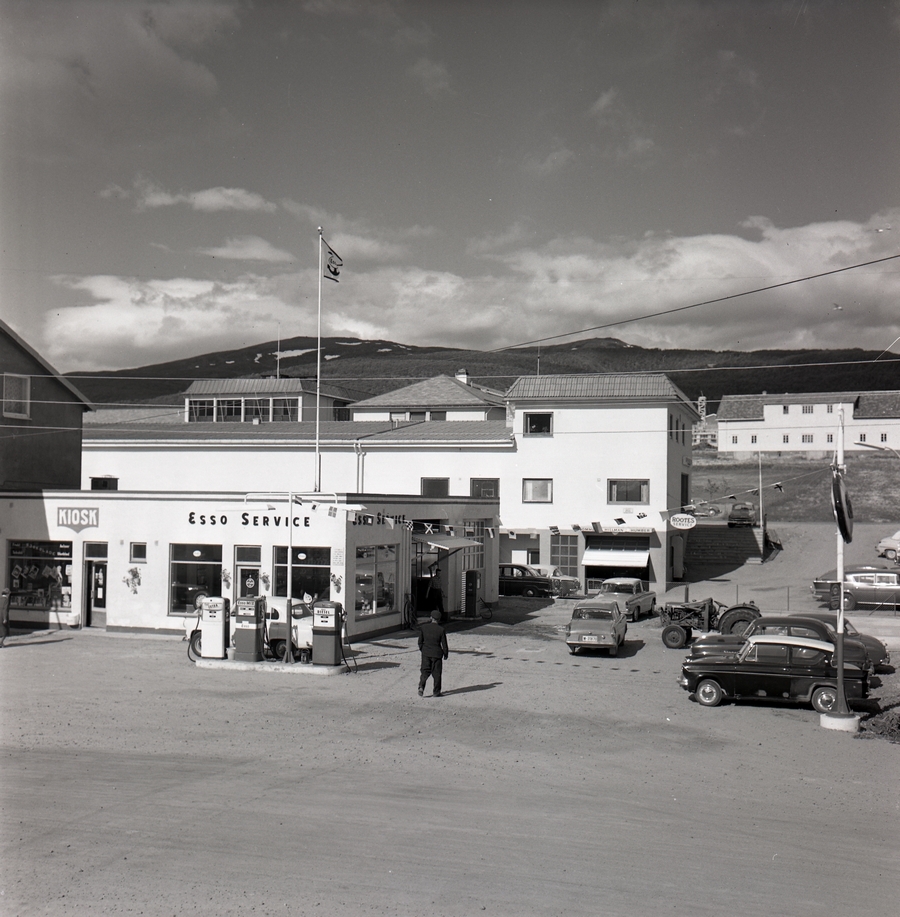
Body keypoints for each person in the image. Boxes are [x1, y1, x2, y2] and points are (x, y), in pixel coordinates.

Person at [417, 608, 448, 697]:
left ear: (431, 617)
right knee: (437, 673)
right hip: (437, 654)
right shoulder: (441, 630)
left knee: (425, 671)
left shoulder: (424, 628)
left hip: (426, 653)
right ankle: (436, 692)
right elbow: (444, 644)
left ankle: (421, 687)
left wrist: (423, 649)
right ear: (439, 619)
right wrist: (445, 653)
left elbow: (420, 641)